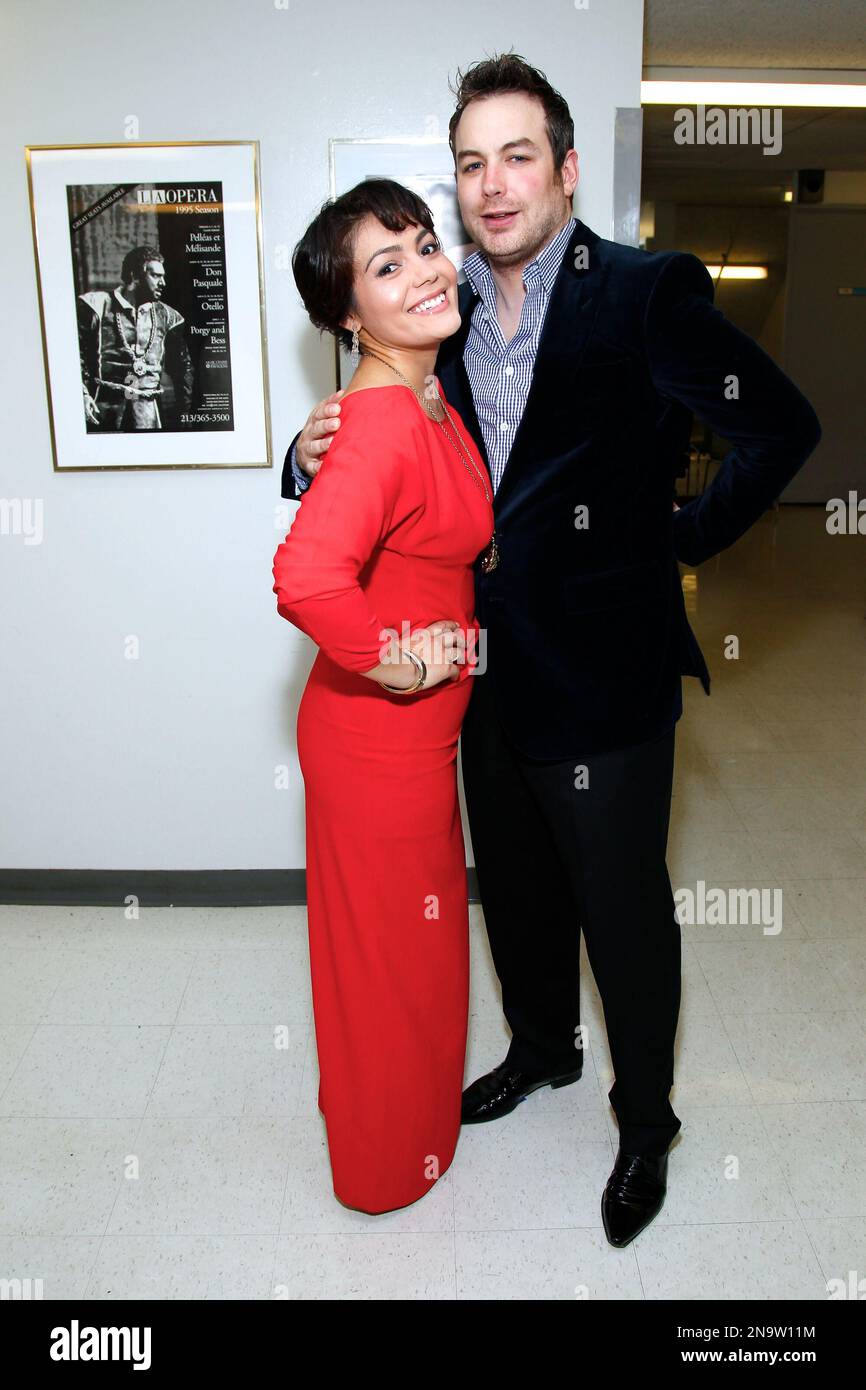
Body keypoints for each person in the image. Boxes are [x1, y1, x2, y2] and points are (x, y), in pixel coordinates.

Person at [283, 54, 821, 1245]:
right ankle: (540, 1050)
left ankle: (645, 1123)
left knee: (622, 910)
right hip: (475, 683)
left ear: (566, 171)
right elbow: (387, 439)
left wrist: (673, 542)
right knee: (517, 896)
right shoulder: (439, 297)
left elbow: (779, 429)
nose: (490, 184)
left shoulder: (642, 294)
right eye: (469, 162)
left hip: (609, 684)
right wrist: (301, 448)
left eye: (516, 155)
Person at [271, 179, 495, 1214]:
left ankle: (415, 1132)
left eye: (421, 243)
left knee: (418, 946)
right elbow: (307, 576)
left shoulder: (428, 395)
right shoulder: (381, 417)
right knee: (385, 960)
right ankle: (377, 1165)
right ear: (350, 315)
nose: (424, 268)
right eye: (386, 264)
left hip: (416, 744)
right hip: (375, 743)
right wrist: (401, 658)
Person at [77, 245, 193, 431]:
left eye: (163, 276)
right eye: (156, 276)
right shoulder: (96, 306)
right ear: (134, 275)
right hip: (103, 410)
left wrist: (186, 410)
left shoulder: (169, 317)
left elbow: (182, 368)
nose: (163, 283)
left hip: (147, 415)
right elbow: (73, 355)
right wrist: (80, 395)